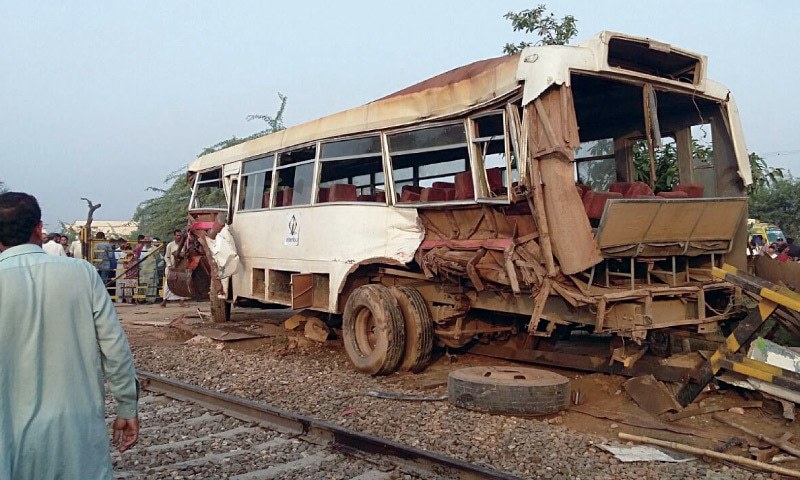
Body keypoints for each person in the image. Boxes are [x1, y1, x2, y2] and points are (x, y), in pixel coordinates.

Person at [0, 192, 139, 479]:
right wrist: (126, 405)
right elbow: (114, 347)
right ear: (38, 228)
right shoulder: (83, 275)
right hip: (75, 429)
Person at [161, 230, 187, 307]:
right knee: (168, 284)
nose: (179, 237)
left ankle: (181, 301)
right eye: (177, 235)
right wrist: (169, 265)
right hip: (171, 267)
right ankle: (164, 300)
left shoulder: (185, 245)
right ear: (174, 236)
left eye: (180, 236)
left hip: (181, 268)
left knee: (182, 284)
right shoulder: (170, 245)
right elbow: (166, 256)